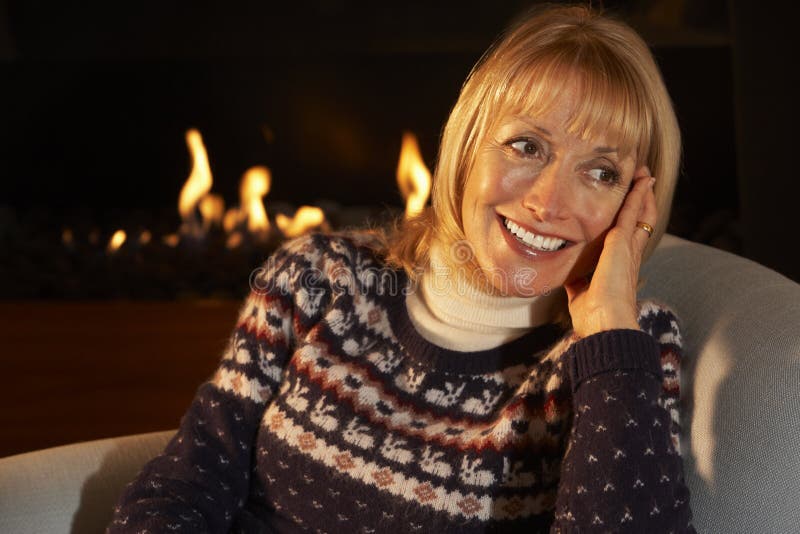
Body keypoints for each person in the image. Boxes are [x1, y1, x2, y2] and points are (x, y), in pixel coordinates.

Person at [109, 4, 694, 532]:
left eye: (601, 173)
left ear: (635, 205)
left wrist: (611, 330)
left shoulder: (625, 354)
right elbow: (186, 486)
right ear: (468, 146)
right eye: (526, 147)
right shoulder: (317, 280)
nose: (550, 202)